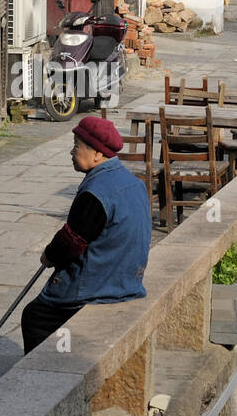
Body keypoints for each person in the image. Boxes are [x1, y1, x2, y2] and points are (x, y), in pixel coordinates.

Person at [21, 116, 151, 354]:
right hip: (129, 278)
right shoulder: (134, 182)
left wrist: (50, 255)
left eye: (77, 145)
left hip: (101, 285)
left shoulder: (96, 192)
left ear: (97, 154)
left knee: (35, 316)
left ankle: (43, 376)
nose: (72, 151)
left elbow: (72, 242)